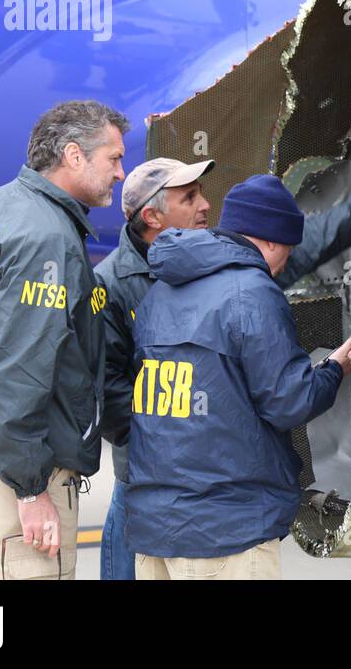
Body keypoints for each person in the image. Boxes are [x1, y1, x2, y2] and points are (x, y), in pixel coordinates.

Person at [126, 174, 351, 579]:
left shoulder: (160, 291)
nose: (286, 263)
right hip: (225, 530)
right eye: (288, 249)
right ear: (271, 242)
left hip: (156, 527)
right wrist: (332, 371)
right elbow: (289, 401)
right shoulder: (252, 291)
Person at [0, 100, 129, 580]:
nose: (122, 173)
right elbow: (17, 372)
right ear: (74, 155)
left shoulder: (0, 204)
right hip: (18, 471)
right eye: (114, 158)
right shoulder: (46, 238)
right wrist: (30, 490)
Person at [94, 157, 215, 581]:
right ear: (152, 217)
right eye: (189, 197)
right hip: (145, 477)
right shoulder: (110, 284)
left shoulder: (207, 263)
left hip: (197, 474)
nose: (205, 205)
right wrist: (167, 435)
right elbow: (108, 392)